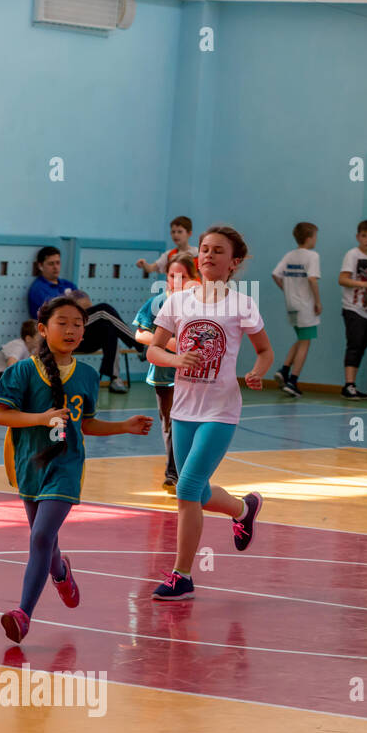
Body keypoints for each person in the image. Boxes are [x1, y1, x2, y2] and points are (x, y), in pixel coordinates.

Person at [0, 296, 152, 643]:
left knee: (40, 536)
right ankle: (61, 573)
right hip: (29, 464)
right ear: (42, 329)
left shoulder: (88, 376)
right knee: (44, 540)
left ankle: (23, 614)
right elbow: (1, 415)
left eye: (78, 324)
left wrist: (123, 425)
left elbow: (86, 424)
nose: (71, 330)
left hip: (67, 464)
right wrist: (40, 418)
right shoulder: (21, 371)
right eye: (62, 322)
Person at [146, 226, 272, 601]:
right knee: (197, 493)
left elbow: (265, 351)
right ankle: (243, 508)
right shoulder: (178, 302)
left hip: (221, 410)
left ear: (233, 262)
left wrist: (256, 372)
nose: (208, 255)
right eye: (204, 249)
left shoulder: (242, 305)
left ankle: (181, 575)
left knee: (185, 489)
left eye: (218, 251)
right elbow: (153, 351)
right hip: (184, 409)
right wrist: (174, 358)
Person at [27, 246, 137, 394]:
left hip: (77, 333)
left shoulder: (68, 285)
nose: (55, 267)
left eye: (58, 263)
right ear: (40, 266)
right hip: (56, 334)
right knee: (104, 311)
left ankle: (113, 376)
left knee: (108, 325)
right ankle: (137, 344)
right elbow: (53, 315)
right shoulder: (38, 289)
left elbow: (85, 306)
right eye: (51, 263)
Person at [133, 252, 198, 492]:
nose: (176, 281)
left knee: (189, 421)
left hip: (192, 374)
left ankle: (182, 472)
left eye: (183, 276)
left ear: (193, 277)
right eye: (172, 276)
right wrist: (169, 343)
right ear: (166, 277)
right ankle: (173, 473)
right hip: (164, 374)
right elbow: (140, 334)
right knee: (169, 422)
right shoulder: (158, 303)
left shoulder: (200, 304)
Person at [270, 222, 321, 398]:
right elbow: (313, 280)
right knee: (305, 343)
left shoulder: (290, 255)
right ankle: (293, 381)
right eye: (315, 236)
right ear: (309, 238)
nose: (316, 239)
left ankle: (284, 370)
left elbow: (275, 274)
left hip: (291, 305)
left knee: (301, 338)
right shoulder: (312, 256)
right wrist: (318, 301)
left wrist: (286, 290)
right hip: (306, 305)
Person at [337, 220, 367, 400]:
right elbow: (342, 279)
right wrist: (364, 283)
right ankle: (348, 385)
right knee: (354, 345)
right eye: (364, 235)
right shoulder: (352, 255)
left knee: (362, 346)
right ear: (358, 237)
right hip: (352, 308)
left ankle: (352, 385)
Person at [0, 319, 41, 396]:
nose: (41, 339)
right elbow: (11, 366)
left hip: (2, 382)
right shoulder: (18, 346)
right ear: (28, 339)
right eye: (38, 337)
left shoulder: (31, 349)